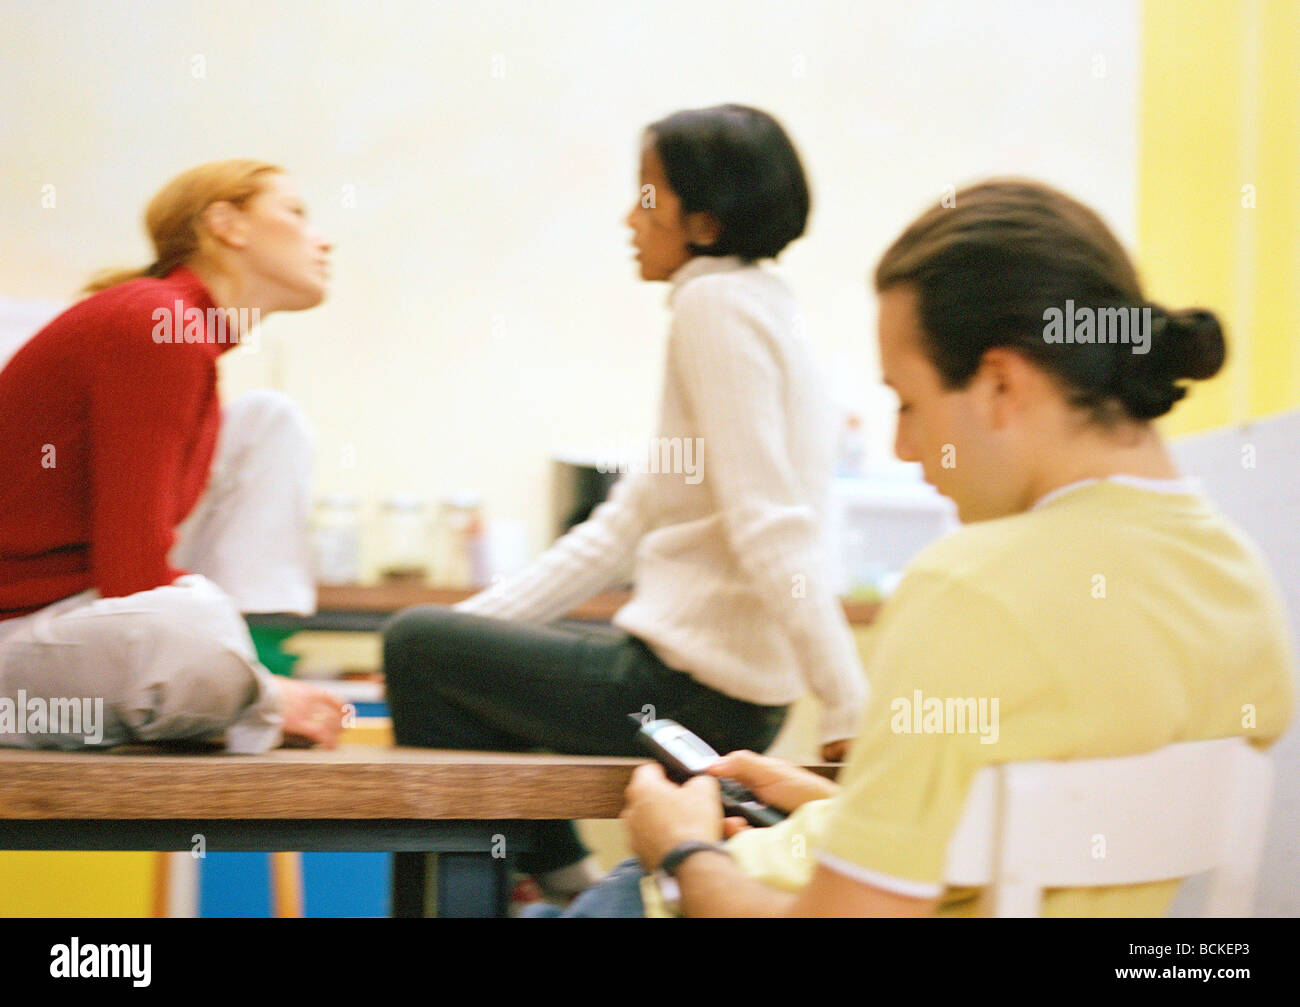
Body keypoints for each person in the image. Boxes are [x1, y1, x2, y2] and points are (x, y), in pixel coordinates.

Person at [548, 178, 1296, 917]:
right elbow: (1036, 831)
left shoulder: (970, 590)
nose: (905, 446)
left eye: (909, 401)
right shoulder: (1242, 589)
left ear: (1001, 382)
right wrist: (843, 810)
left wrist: (680, 850)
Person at [383, 105, 868, 902]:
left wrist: (848, 698)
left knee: (415, 649)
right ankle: (566, 882)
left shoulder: (714, 305)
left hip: (691, 691)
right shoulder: (757, 305)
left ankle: (552, 881)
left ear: (704, 220)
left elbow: (769, 522)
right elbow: (625, 522)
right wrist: (473, 629)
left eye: (648, 197)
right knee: (439, 649)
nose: (628, 218)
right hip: (719, 692)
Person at [0, 159, 346, 753]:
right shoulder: (159, 323)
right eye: (294, 213)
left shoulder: (180, 333)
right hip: (16, 635)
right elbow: (131, 574)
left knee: (271, 421)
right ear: (226, 224)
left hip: (64, 620)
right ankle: (254, 692)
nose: (323, 239)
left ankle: (245, 674)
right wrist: (266, 693)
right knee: (186, 636)